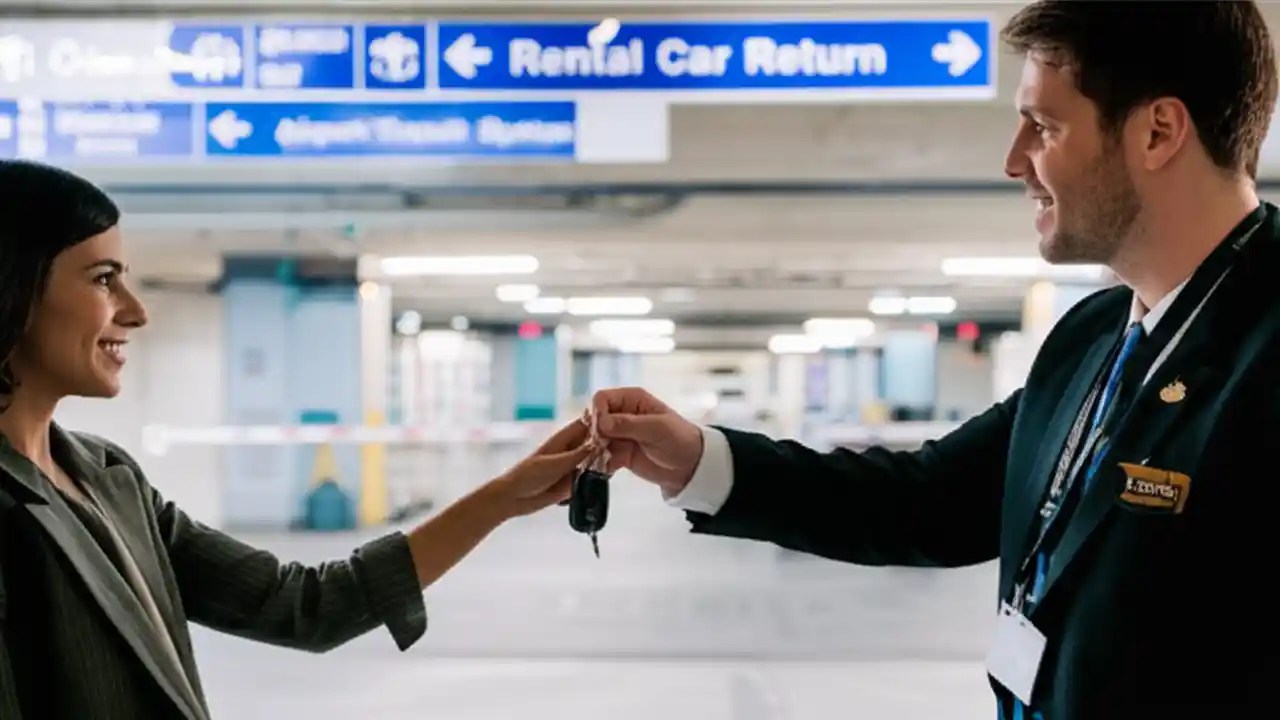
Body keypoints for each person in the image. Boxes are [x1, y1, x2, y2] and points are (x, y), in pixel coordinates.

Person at [588, 3, 1280, 718]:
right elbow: (931, 498)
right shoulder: (1093, 336)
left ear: (1158, 132)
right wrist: (698, 459)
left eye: (1043, 126)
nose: (1015, 161)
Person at [0, 159, 595, 720]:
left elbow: (305, 607)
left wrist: (504, 498)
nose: (135, 312)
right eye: (104, 280)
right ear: (13, 288)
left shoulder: (109, 475)